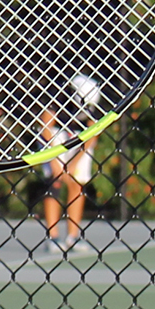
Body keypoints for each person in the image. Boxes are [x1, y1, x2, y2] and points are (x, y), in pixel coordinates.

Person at [39, 74, 104, 259]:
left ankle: (73, 236)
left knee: (77, 184)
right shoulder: (58, 94)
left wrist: (73, 163)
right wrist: (54, 161)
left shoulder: (95, 99)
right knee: (55, 182)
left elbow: (93, 134)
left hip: (80, 136)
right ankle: (53, 237)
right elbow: (45, 126)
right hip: (54, 136)